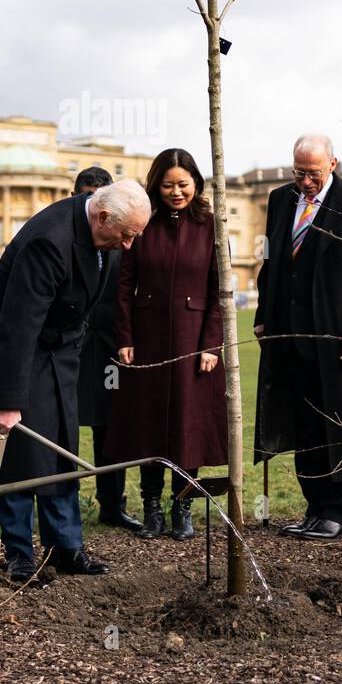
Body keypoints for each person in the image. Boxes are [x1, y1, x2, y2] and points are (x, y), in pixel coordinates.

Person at [0, 179, 151, 582]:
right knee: (22, 450)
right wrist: (7, 399)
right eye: (125, 235)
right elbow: (19, 324)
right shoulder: (49, 241)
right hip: (21, 353)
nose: (128, 246)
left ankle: (65, 547)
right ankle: (18, 552)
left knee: (61, 448)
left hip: (60, 353)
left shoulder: (101, 234)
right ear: (103, 216)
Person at [253, 134, 342, 541]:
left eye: (312, 173)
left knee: (341, 424)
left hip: (338, 340)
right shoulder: (279, 200)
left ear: (332, 165)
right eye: (298, 172)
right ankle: (313, 509)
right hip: (290, 338)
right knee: (304, 425)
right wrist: (262, 316)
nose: (305, 181)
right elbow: (270, 261)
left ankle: (338, 513)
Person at [104, 148, 228, 541]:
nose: (176, 192)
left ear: (196, 184)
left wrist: (212, 344)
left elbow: (218, 289)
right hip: (149, 339)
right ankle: (152, 509)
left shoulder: (211, 225)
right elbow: (124, 285)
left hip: (194, 342)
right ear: (156, 186)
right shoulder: (145, 222)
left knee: (188, 426)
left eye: (183, 185)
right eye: (168, 185)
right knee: (148, 424)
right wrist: (125, 337)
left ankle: (183, 506)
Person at [73, 167, 143, 533]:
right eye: (87, 195)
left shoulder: (122, 239)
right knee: (62, 425)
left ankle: (112, 505)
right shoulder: (64, 235)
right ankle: (63, 502)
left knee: (110, 428)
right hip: (69, 346)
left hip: (110, 347)